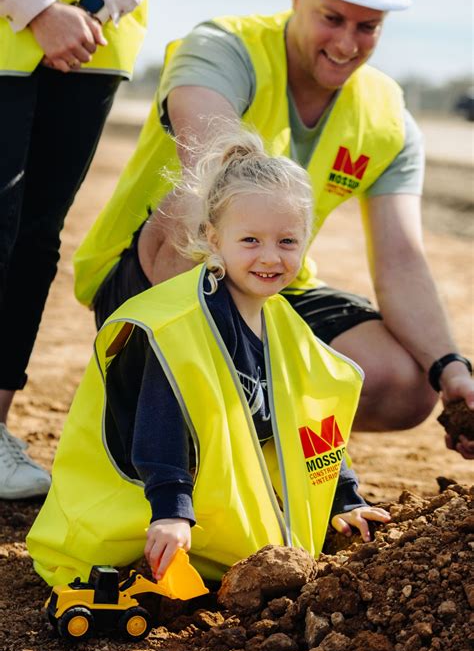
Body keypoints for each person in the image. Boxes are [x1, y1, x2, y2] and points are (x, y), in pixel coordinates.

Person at [73, 0, 474, 458]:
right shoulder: (222, 48)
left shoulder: (387, 116)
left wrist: (450, 366)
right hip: (157, 273)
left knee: (407, 382)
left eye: (368, 27)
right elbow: (209, 161)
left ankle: (258, 433)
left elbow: (402, 256)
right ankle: (176, 421)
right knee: (199, 205)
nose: (346, 44)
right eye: (332, 18)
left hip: (270, 283)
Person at [27, 131, 390, 586]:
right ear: (213, 238)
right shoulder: (179, 324)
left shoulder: (283, 324)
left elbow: (310, 420)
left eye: (287, 241)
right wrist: (172, 511)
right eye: (251, 240)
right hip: (139, 522)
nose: (270, 257)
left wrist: (344, 498)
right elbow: (159, 424)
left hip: (222, 538)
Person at [0, 0, 173, 499]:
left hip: (91, 45)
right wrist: (40, 10)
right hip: (10, 29)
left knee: (35, 233)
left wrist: (91, 10)